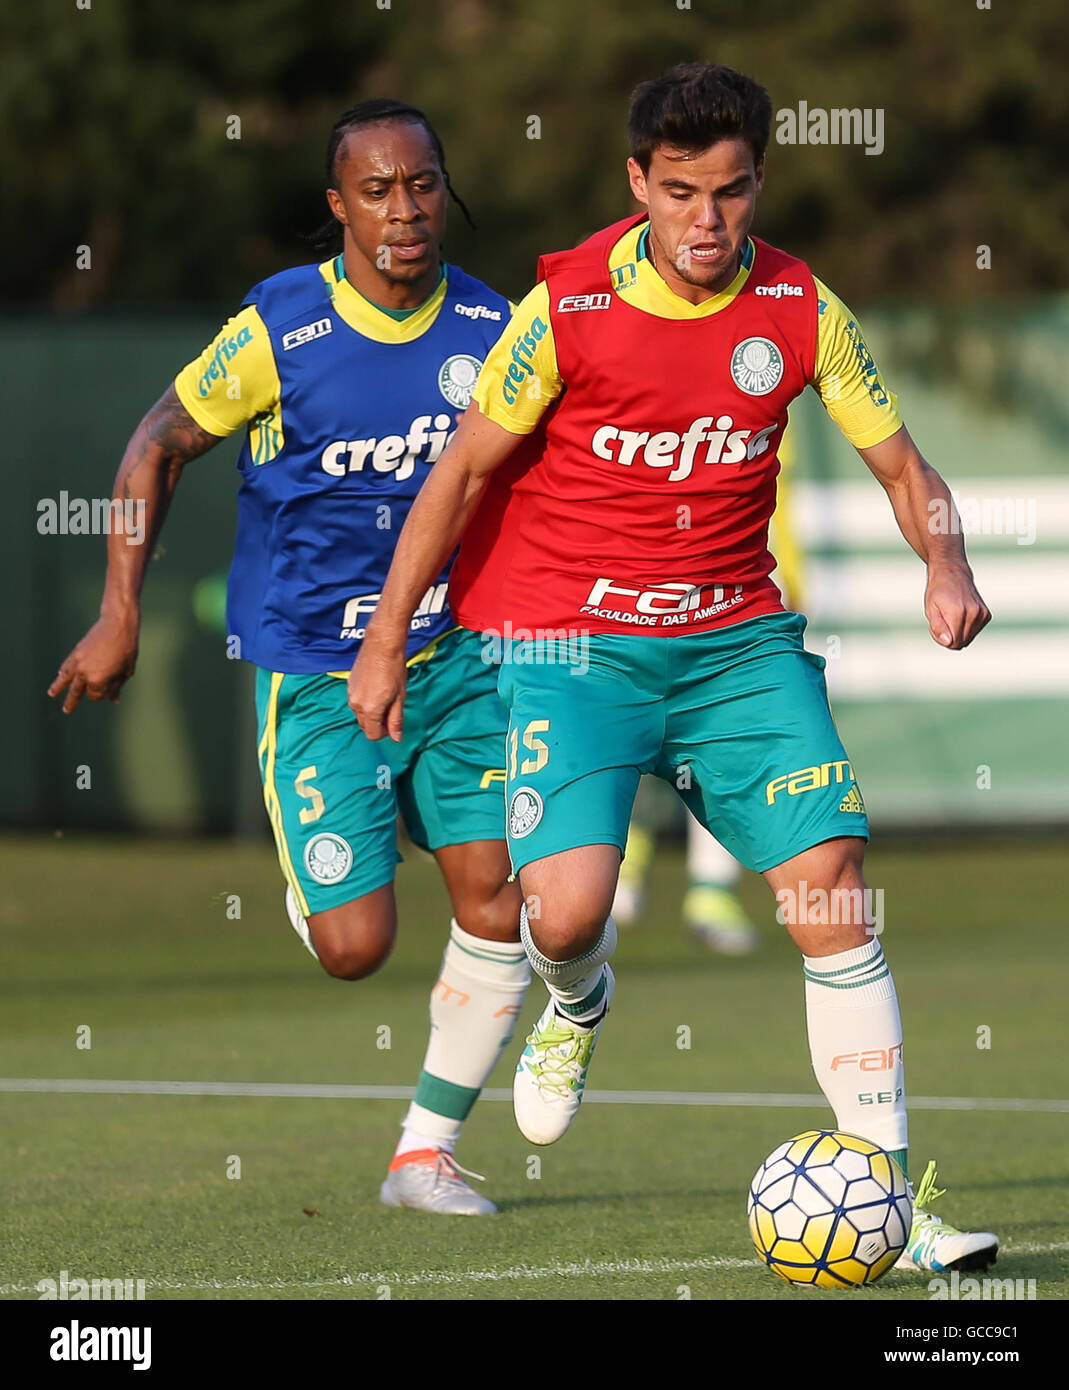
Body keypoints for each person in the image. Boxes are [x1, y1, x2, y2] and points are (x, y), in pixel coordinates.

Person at [348, 63, 1000, 1272]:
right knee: (567, 914)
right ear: (636, 182)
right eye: (683, 192)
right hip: (572, 647)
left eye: (735, 193)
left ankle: (896, 1205)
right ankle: (580, 999)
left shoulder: (800, 306)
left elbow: (906, 472)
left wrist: (945, 565)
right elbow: (462, 475)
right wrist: (387, 637)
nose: (709, 222)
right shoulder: (568, 308)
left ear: (761, 183)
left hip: (733, 644)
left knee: (831, 889)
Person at [48, 99, 529, 1216]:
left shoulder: (494, 327)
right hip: (316, 668)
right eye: (376, 190)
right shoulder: (281, 328)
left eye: (421, 185)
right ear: (338, 207)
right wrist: (121, 611)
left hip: (454, 659)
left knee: (499, 901)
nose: (404, 211)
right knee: (355, 948)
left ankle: (423, 1154)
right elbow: (156, 443)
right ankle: (321, 872)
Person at [613, 427, 807, 953]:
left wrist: (791, 576)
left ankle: (711, 892)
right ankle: (621, 871)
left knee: (727, 754)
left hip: (745, 587)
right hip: (639, 585)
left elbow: (776, 490)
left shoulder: (758, 370)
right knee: (631, 736)